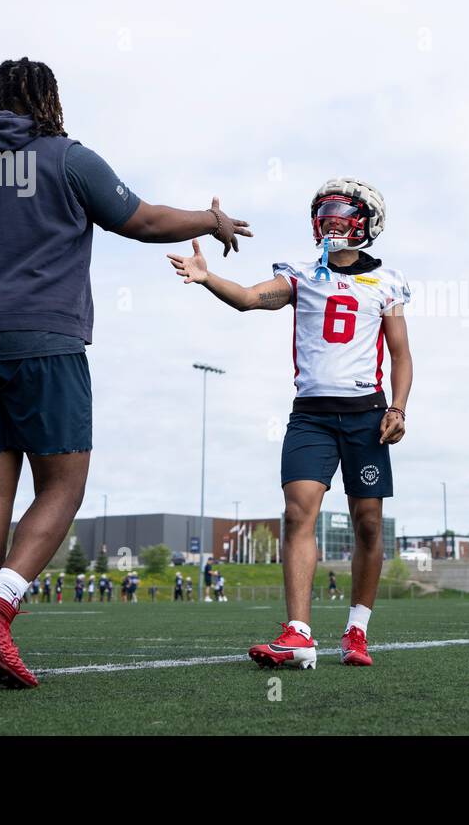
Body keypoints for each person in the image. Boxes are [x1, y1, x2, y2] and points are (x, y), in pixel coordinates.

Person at [0, 58, 254, 689]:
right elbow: (141, 220)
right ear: (46, 101)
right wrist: (211, 220)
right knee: (63, 486)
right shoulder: (66, 158)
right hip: (43, 343)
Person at [170, 179, 412, 669]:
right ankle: (299, 634)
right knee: (298, 513)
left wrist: (398, 408)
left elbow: (402, 354)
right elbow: (247, 298)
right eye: (323, 212)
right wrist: (207, 277)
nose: (330, 220)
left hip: (367, 415)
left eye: (341, 212)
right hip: (312, 417)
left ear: (366, 221)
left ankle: (356, 630)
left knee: (368, 523)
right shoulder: (301, 274)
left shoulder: (387, 281)